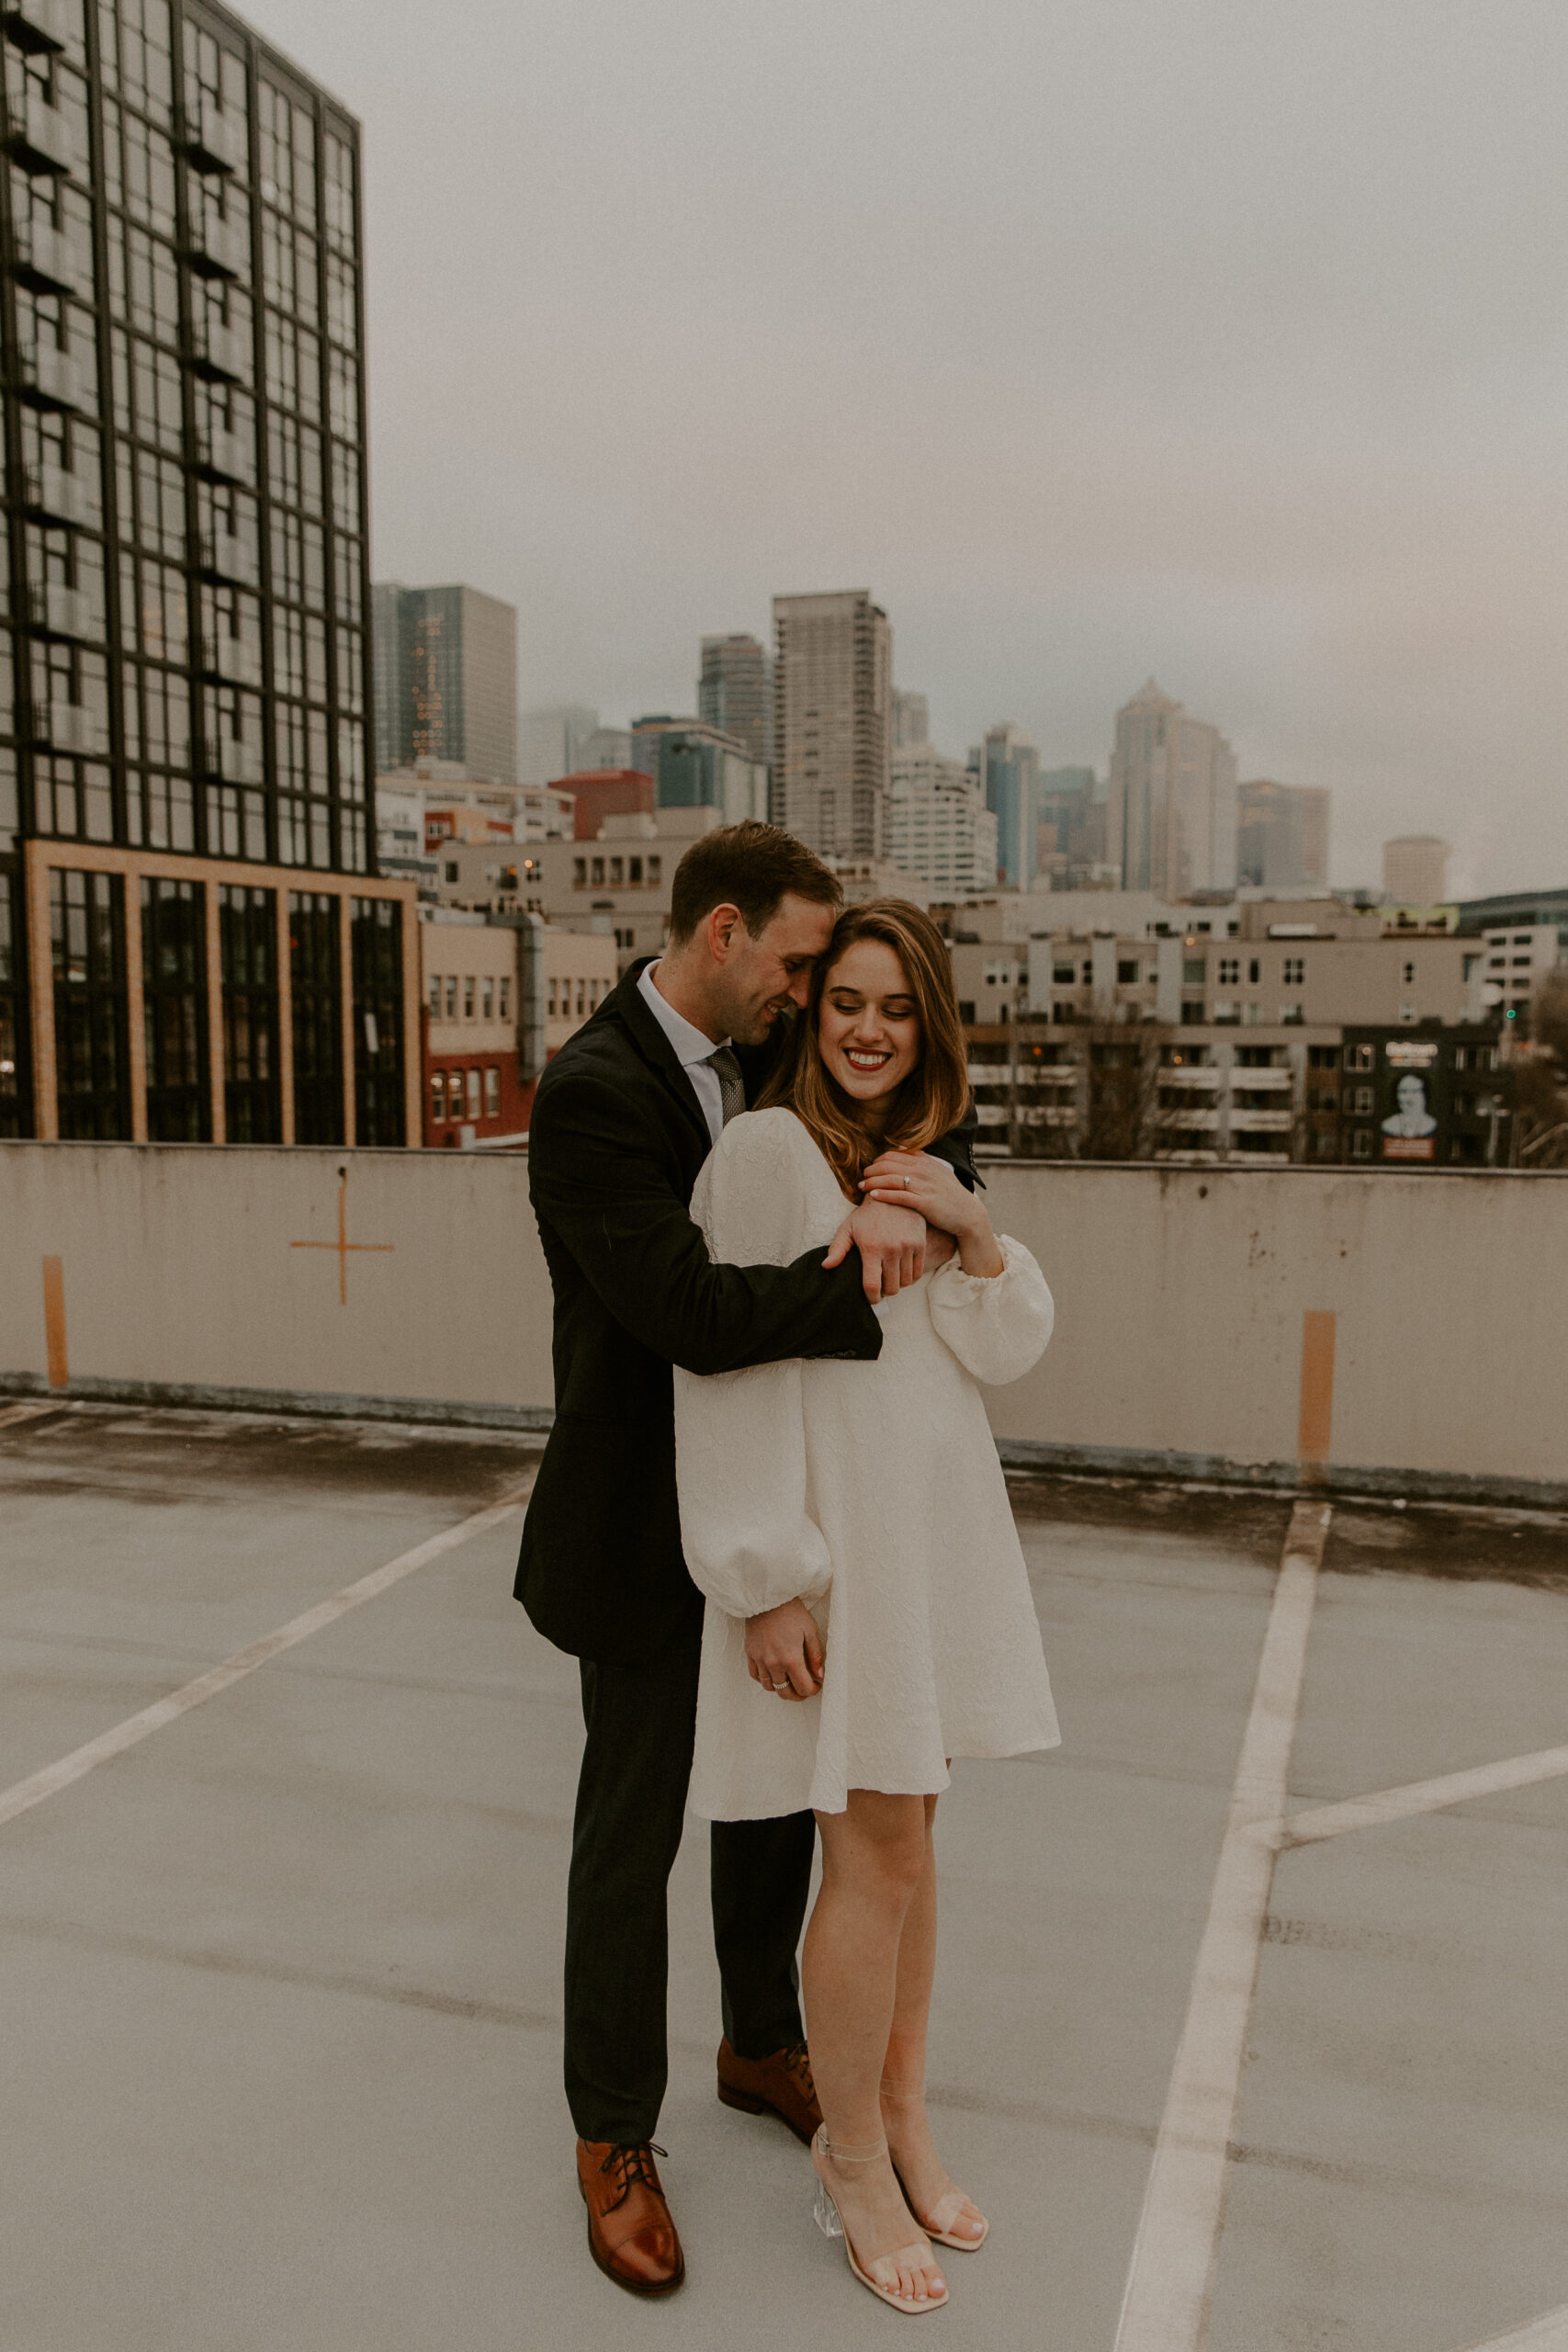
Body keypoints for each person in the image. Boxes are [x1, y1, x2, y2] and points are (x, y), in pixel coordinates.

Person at [516, 825, 978, 2299]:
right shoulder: (594, 1093)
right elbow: (692, 1316)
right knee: (630, 1839)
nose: (806, 993)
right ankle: (612, 2138)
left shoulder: (765, 1074)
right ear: (722, 935)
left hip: (790, 1523)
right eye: (791, 964)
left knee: (780, 1816)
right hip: (642, 1532)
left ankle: (759, 2042)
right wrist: (871, 1262)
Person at [672, 899, 1059, 2315]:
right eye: (846, 1001)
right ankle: (848, 2157)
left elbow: (1003, 1345)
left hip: (936, 1537)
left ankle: (902, 2112)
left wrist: (966, 1219)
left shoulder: (923, 1170)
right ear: (811, 1011)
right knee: (874, 1853)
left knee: (915, 1837)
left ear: (931, 1021)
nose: (870, 1028)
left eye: (897, 1006)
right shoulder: (770, 1154)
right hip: (845, 1550)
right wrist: (765, 1576)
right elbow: (723, 1373)